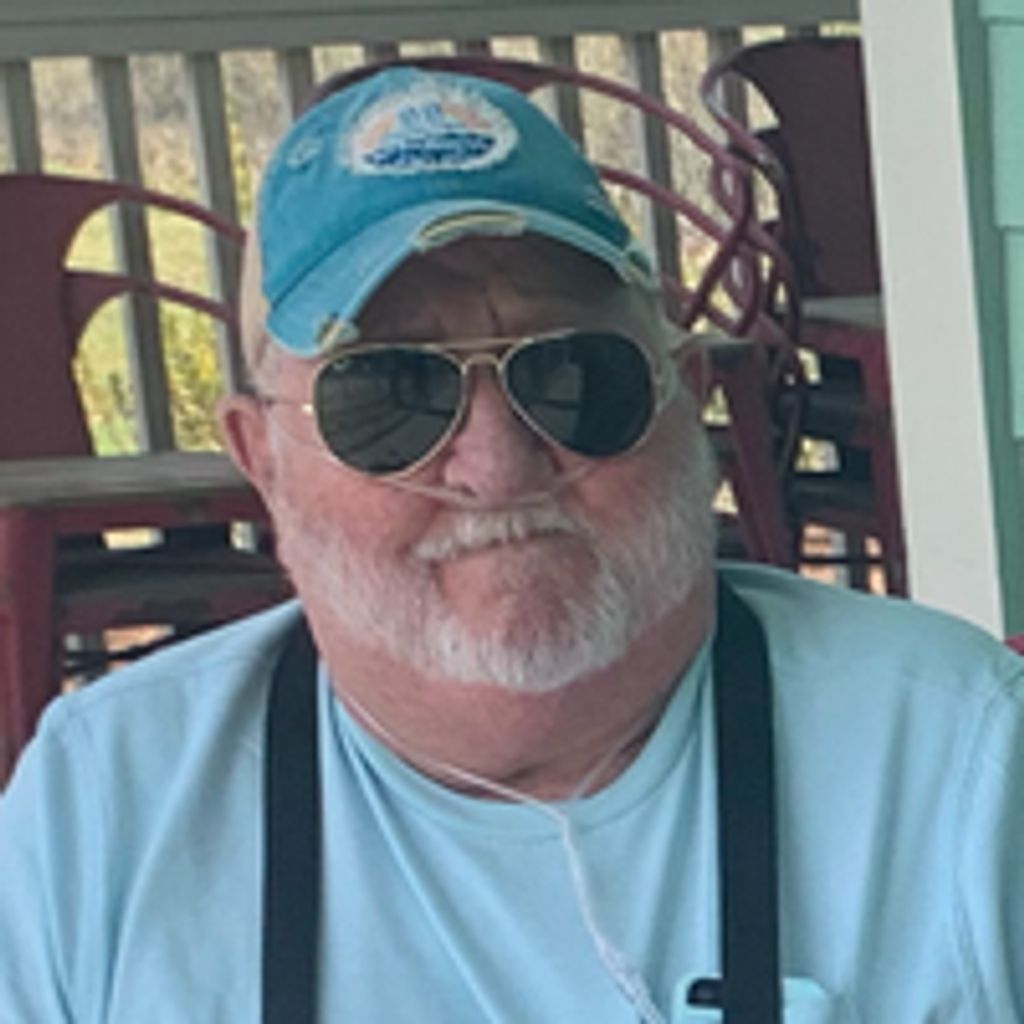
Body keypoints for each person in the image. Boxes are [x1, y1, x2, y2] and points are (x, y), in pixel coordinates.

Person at [1, 64, 1022, 1024]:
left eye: (575, 374)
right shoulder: (108, 808)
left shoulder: (956, 762)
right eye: (389, 395)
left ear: (686, 398)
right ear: (260, 458)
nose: (497, 466)